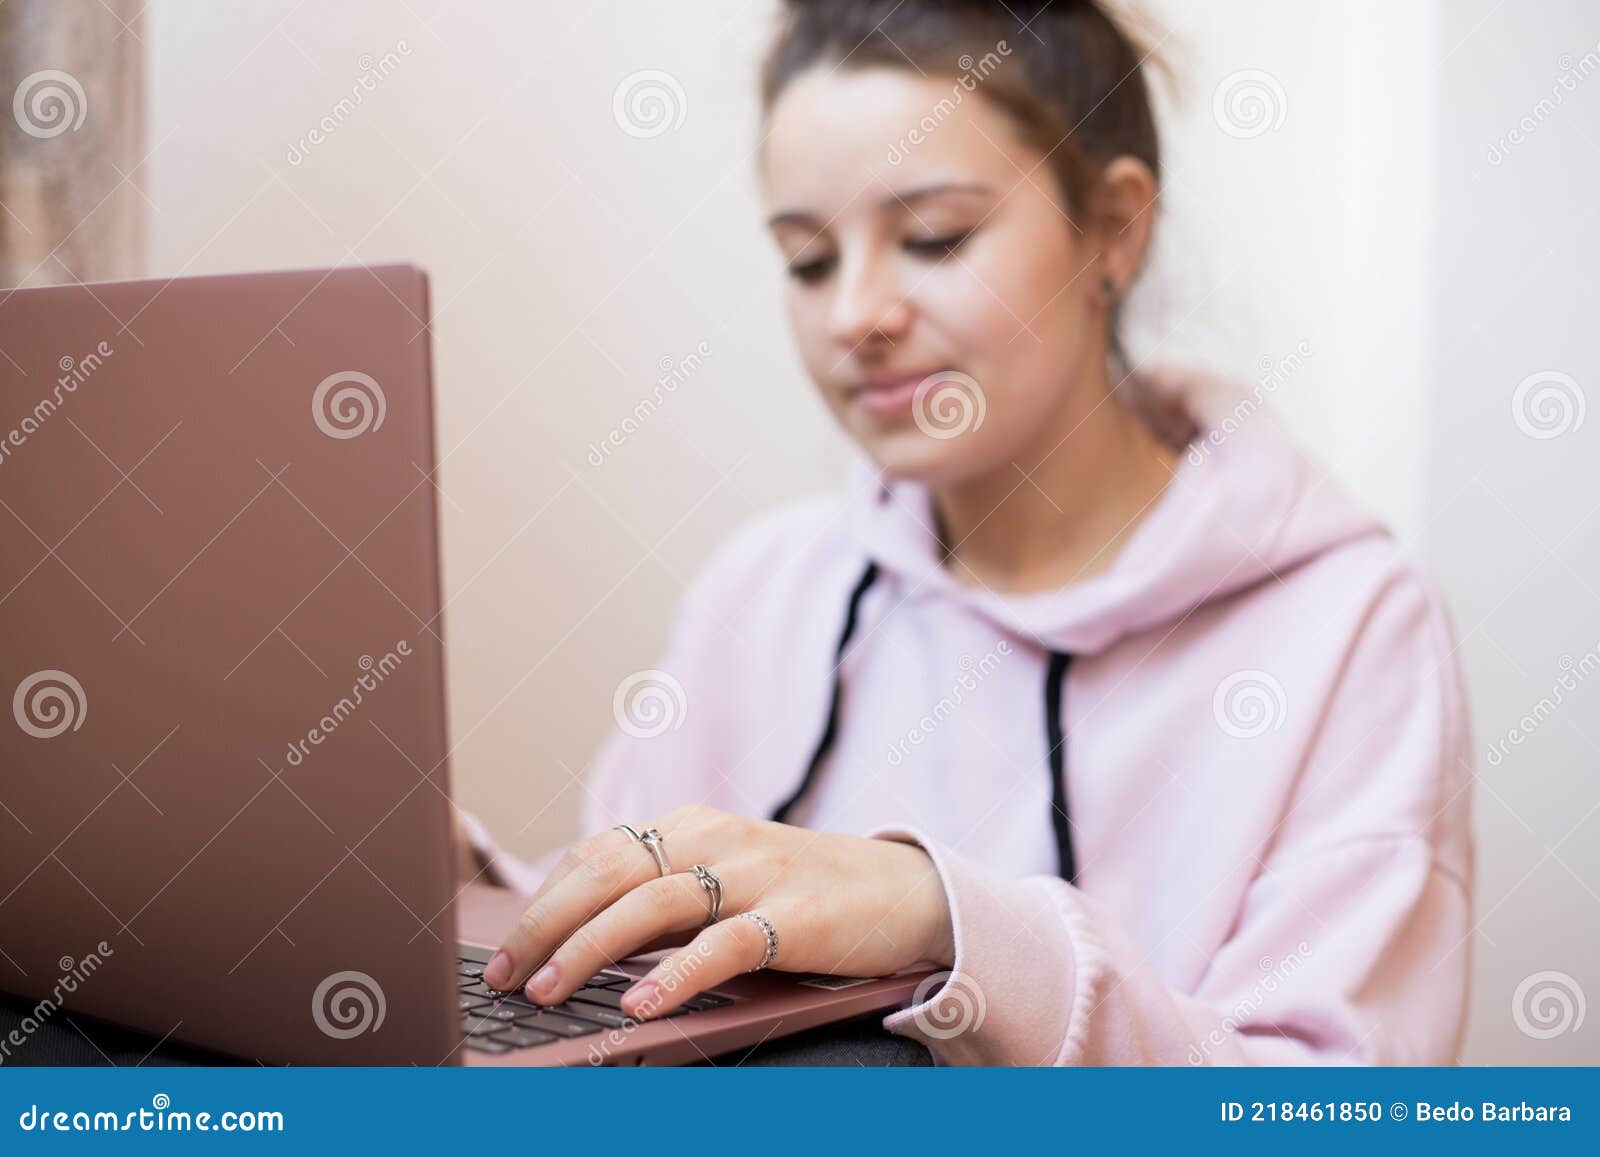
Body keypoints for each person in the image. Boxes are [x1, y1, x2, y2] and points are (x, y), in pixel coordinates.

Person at [458, 0, 1474, 1066]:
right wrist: (437, 873)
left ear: (1114, 229)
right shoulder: (764, 588)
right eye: (807, 260)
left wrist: (952, 925)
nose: (854, 312)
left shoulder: (1351, 626)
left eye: (933, 237)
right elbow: (613, 963)